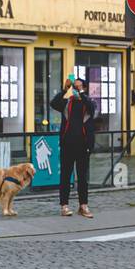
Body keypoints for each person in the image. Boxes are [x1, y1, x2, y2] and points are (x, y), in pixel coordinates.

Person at [50, 73, 95, 218]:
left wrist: (81, 92)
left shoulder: (88, 103)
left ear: (85, 88)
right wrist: (65, 89)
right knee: (65, 176)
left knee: (82, 177)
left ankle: (83, 205)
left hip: (83, 146)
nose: (76, 89)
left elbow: (92, 108)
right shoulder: (67, 103)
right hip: (67, 145)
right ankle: (64, 206)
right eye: (75, 86)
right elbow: (53, 103)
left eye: (79, 86)